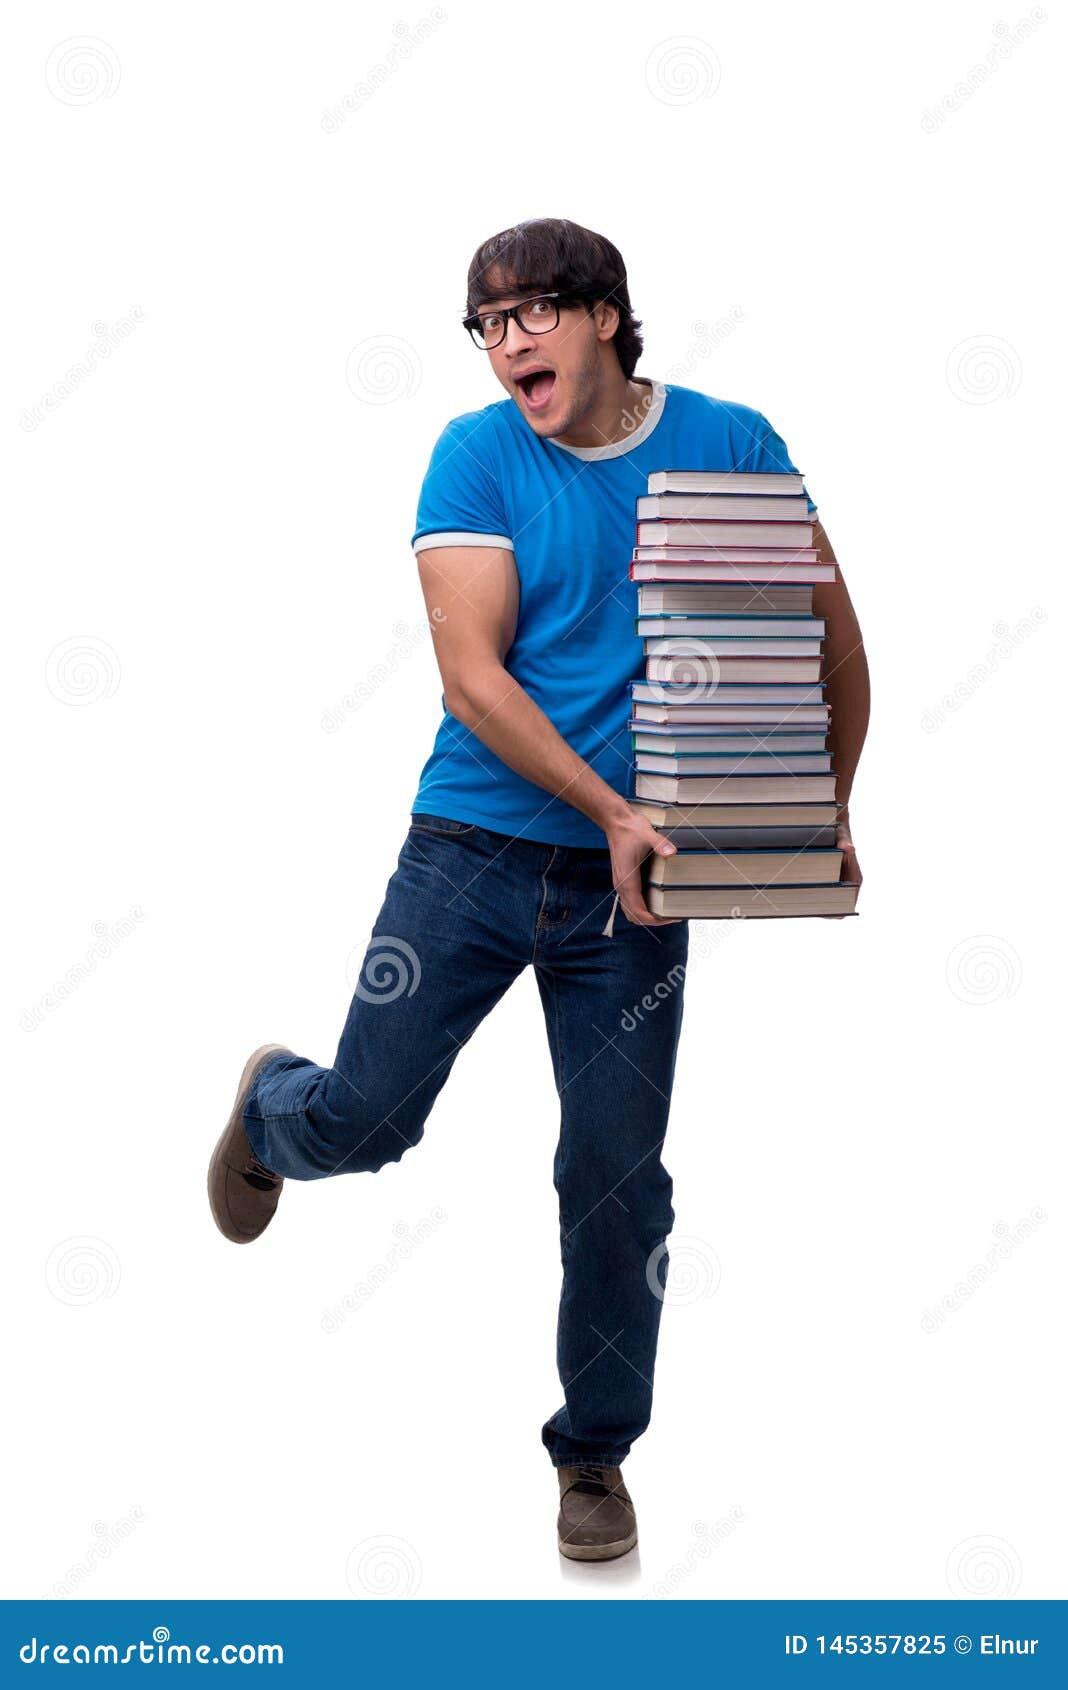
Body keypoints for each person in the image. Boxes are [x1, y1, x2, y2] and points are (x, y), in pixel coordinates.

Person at [208, 217, 869, 1562]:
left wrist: (818, 811)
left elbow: (825, 638)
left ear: (611, 315)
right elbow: (475, 677)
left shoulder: (734, 443)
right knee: (368, 1116)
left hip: (645, 889)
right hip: (476, 847)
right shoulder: (477, 453)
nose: (509, 339)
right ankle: (275, 1110)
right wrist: (615, 809)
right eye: (487, 320)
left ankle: (594, 1452)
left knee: (616, 1174)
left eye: (535, 311)